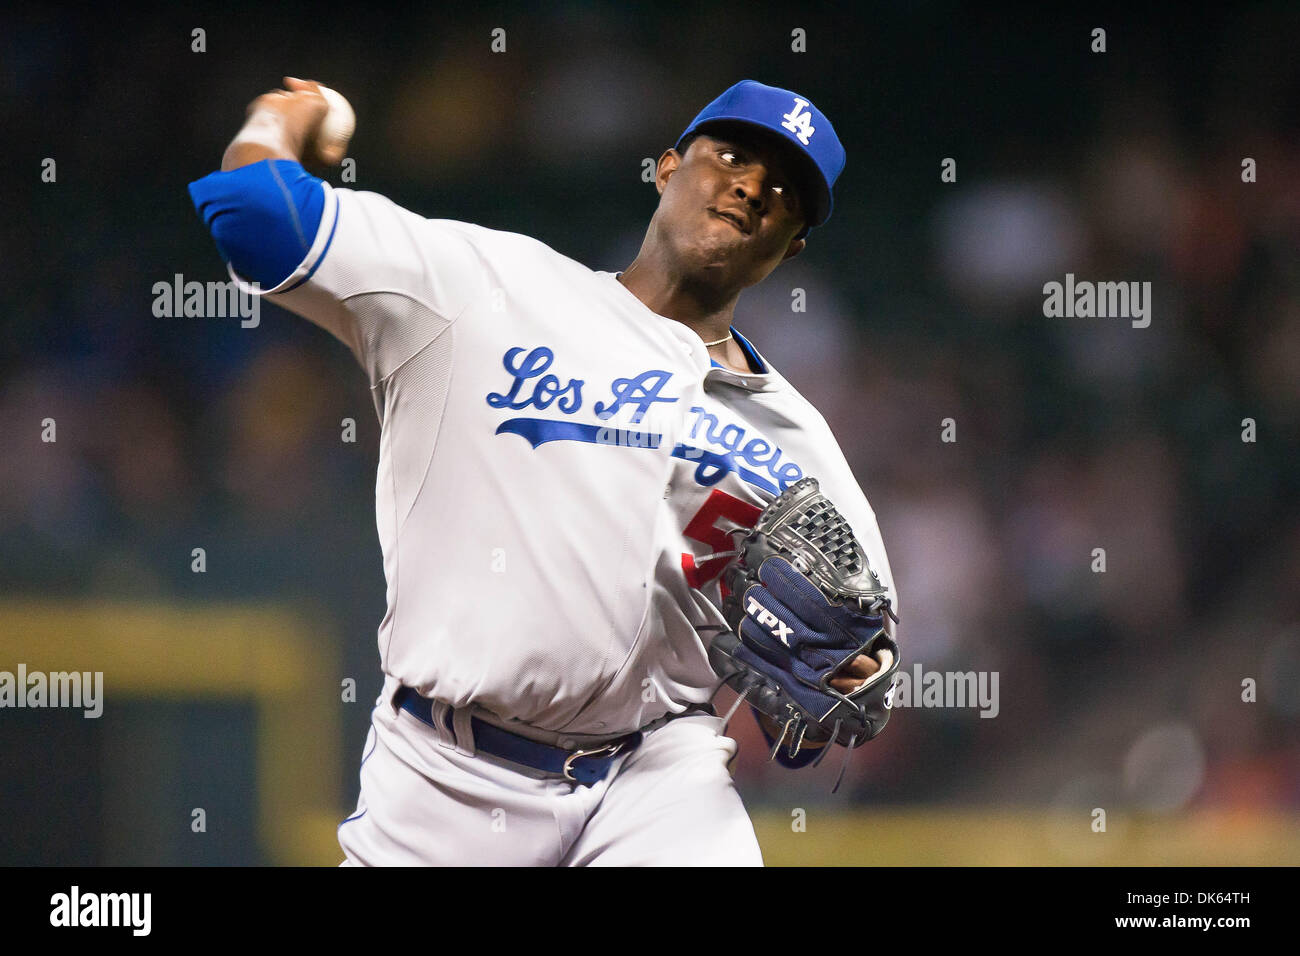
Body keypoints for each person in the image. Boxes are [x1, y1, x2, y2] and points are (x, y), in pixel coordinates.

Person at [188, 77, 898, 866]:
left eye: (785, 191)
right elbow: (253, 215)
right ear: (666, 168)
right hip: (443, 774)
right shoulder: (486, 288)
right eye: (730, 155)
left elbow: (849, 681)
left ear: (792, 243)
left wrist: (840, 686)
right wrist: (279, 116)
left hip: (658, 779)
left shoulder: (798, 439)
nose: (750, 187)